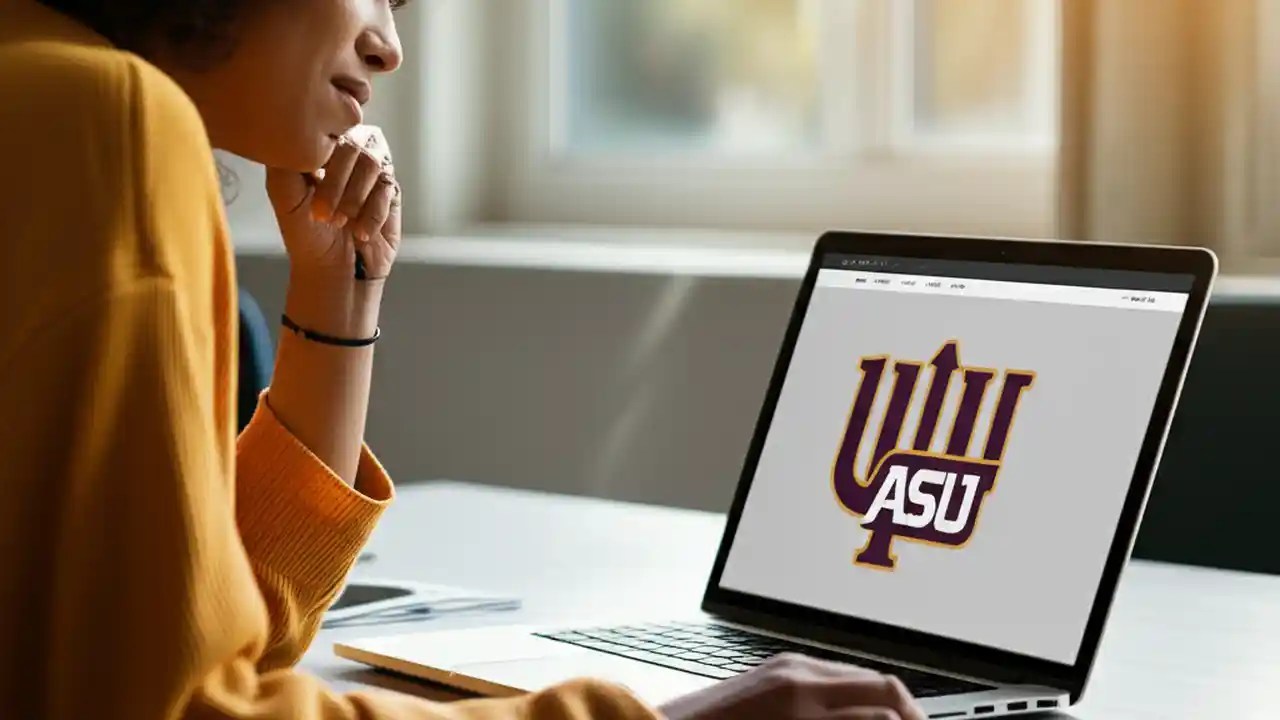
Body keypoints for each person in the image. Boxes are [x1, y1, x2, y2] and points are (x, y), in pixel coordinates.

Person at [0, 1, 927, 719]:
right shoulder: (109, 121)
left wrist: (340, 296)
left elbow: (193, 635)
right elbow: (184, 708)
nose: (388, 48)